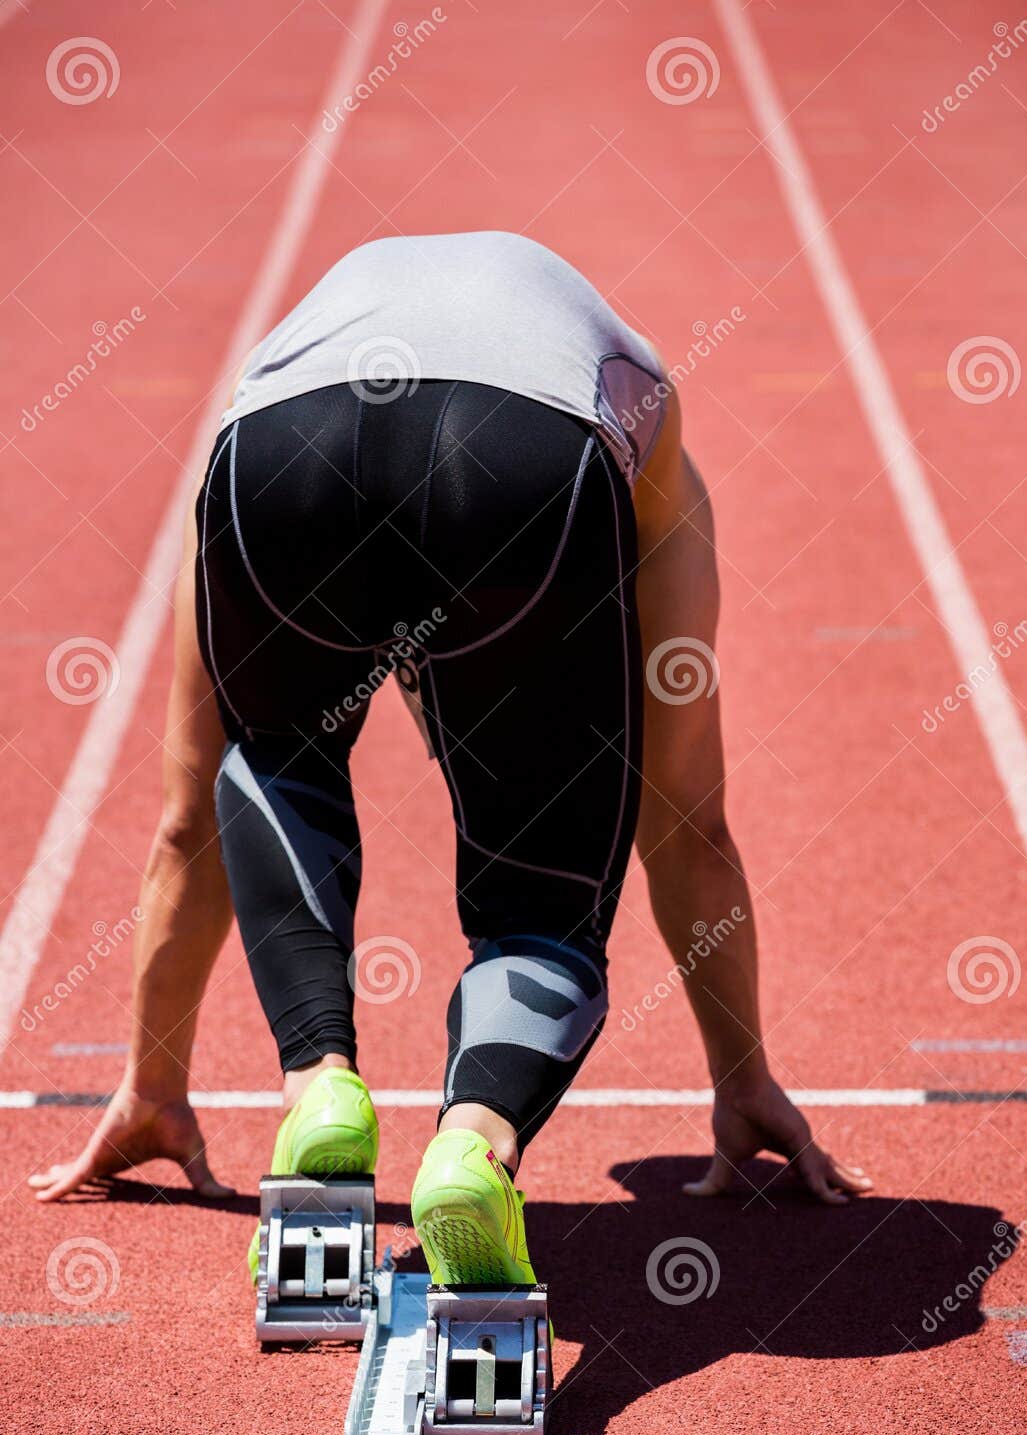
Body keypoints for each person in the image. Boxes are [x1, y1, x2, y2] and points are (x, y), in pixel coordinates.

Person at [29, 232, 869, 1283]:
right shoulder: (654, 439)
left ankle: (318, 1081)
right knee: (541, 902)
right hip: (524, 452)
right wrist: (740, 1072)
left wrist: (155, 1081)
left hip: (273, 450)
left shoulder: (279, 364)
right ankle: (472, 1143)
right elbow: (684, 815)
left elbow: (190, 816)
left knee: (275, 762)